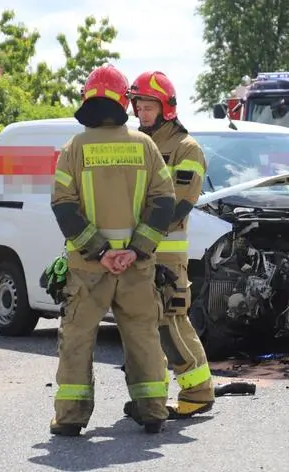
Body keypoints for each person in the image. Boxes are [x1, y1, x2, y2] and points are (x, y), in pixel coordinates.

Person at [49, 64, 176, 436]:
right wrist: (135, 251)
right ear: (125, 103)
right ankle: (152, 410)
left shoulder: (74, 149)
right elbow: (164, 202)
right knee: (143, 336)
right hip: (136, 268)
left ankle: (71, 418)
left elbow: (63, 205)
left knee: (77, 338)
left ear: (87, 100)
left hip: (88, 267)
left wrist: (100, 251)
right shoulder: (145, 145)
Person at [125, 70, 214, 419]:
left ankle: (198, 390)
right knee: (141, 326)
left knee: (171, 323)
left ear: (166, 108)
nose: (142, 113)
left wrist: (141, 235)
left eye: (149, 106)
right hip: (135, 250)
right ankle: (151, 398)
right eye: (138, 106)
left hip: (165, 252)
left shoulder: (185, 148)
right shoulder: (134, 143)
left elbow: (179, 204)